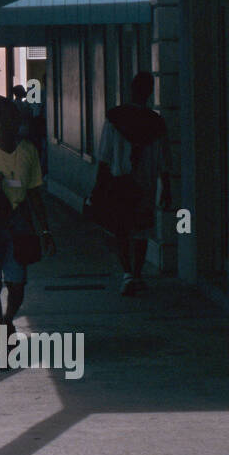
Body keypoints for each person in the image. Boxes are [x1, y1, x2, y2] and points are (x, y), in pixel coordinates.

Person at [0, 93, 54, 365]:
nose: (17, 120)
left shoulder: (28, 151)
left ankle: (5, 321)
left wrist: (45, 231)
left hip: (19, 225)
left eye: (17, 115)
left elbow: (35, 194)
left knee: (17, 286)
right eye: (11, 115)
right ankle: (2, 346)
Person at [95, 71, 172, 295]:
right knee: (141, 230)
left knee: (121, 229)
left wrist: (99, 186)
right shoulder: (157, 123)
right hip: (145, 185)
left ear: (131, 89)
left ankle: (127, 273)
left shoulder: (114, 118)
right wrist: (166, 188)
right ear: (149, 93)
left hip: (119, 182)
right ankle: (137, 273)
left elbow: (104, 156)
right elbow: (164, 161)